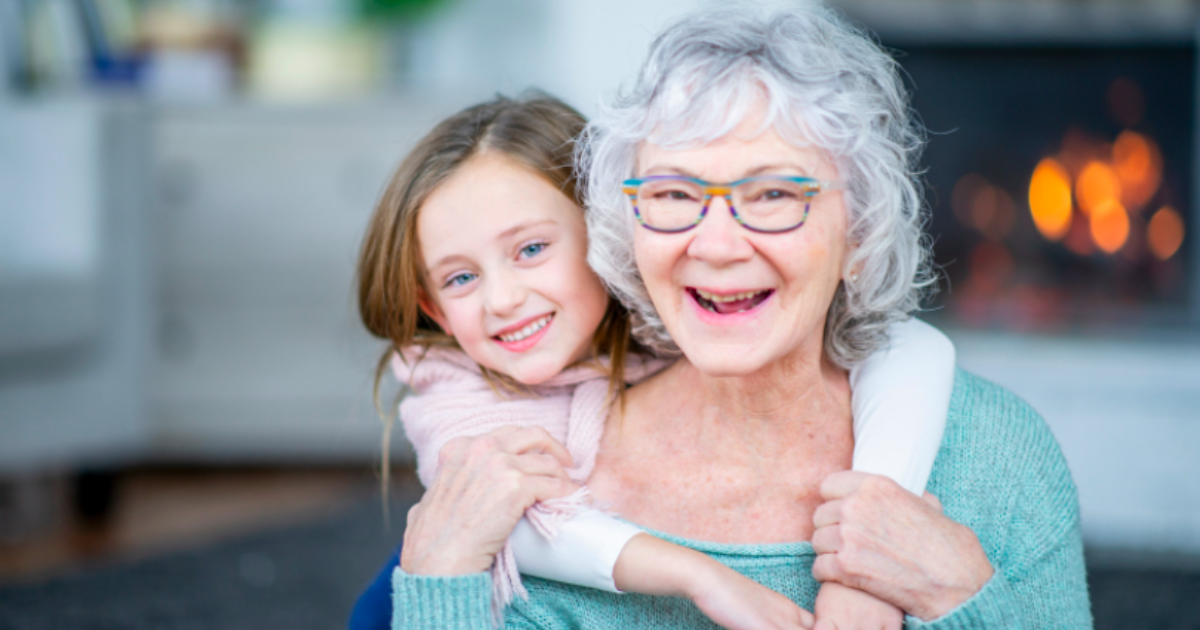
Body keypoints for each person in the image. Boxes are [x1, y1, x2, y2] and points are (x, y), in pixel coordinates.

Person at [386, 3, 1095, 629]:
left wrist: (958, 595)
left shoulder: (995, 457)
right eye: (672, 195)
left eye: (774, 195)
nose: (717, 245)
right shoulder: (546, 483)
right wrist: (437, 577)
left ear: (860, 235)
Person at [352, 91, 959, 630]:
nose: (502, 299)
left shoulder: (667, 319)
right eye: (460, 278)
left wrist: (867, 544)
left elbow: (911, 345)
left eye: (531, 249)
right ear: (431, 307)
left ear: (605, 232)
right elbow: (524, 524)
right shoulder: (452, 396)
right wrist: (704, 578)